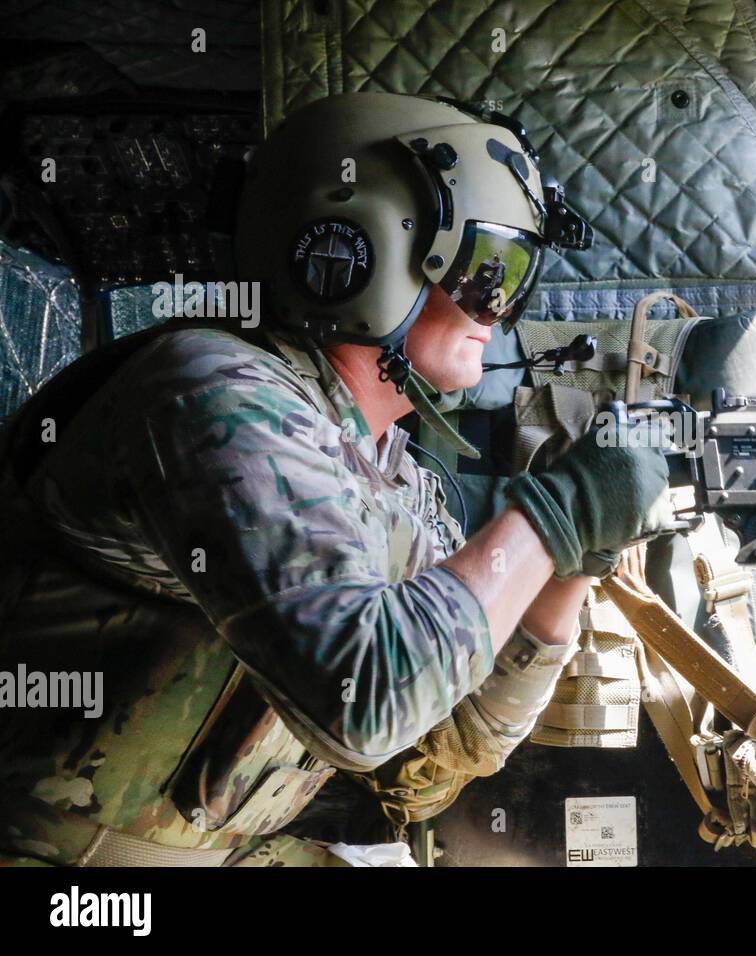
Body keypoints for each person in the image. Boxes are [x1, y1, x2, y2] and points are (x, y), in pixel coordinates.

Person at [0, 92, 670, 866]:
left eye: (515, 280)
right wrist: (557, 514)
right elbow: (368, 699)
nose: (499, 311)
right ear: (362, 252)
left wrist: (575, 561)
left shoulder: (394, 479)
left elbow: (434, 765)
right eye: (489, 271)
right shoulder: (214, 395)